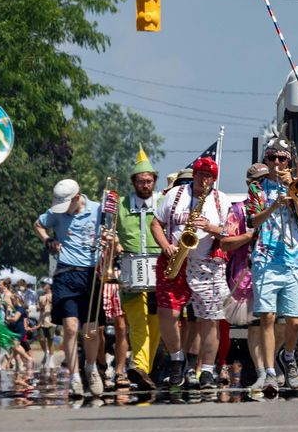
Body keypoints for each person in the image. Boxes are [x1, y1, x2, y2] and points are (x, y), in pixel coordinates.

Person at [152, 157, 229, 394]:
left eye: (208, 176)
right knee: (168, 313)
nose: (203, 179)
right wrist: (166, 245)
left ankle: (207, 369)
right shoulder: (175, 194)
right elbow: (156, 223)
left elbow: (230, 231)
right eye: (200, 175)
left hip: (207, 264)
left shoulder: (221, 199)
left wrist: (211, 228)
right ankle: (177, 359)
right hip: (175, 258)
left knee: (209, 319)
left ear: (213, 179)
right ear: (193, 175)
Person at [246, 137, 298, 396]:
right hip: (265, 258)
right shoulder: (257, 188)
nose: (275, 163)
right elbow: (253, 221)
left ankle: (289, 356)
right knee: (268, 317)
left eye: (281, 158)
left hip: (293, 259)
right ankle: (270, 373)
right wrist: (273, 206)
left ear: (289, 161)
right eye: (271, 157)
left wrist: (293, 192)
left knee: (294, 321)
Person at [34, 178, 106, 400]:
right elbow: (38, 224)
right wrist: (48, 240)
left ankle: (91, 368)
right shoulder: (56, 213)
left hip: (92, 272)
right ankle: (74, 375)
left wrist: (109, 240)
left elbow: (112, 231)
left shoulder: (98, 209)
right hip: (66, 271)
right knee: (71, 326)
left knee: (91, 329)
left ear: (78, 197)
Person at [115, 147, 162, 392]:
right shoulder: (120, 206)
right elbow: (109, 232)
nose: (145, 184)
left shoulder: (162, 202)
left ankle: (144, 368)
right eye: (141, 181)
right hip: (131, 269)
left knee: (155, 322)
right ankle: (140, 364)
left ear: (154, 181)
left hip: (158, 268)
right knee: (137, 322)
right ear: (134, 182)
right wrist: (114, 241)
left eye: (149, 180)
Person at [221, 164, 267, 400]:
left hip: (274, 267)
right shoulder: (237, 210)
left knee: (280, 321)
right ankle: (261, 370)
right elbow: (226, 243)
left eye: (265, 179)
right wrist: (249, 236)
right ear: (248, 183)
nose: (260, 185)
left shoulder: (276, 204)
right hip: (246, 271)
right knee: (256, 325)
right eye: (257, 181)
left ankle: (274, 362)